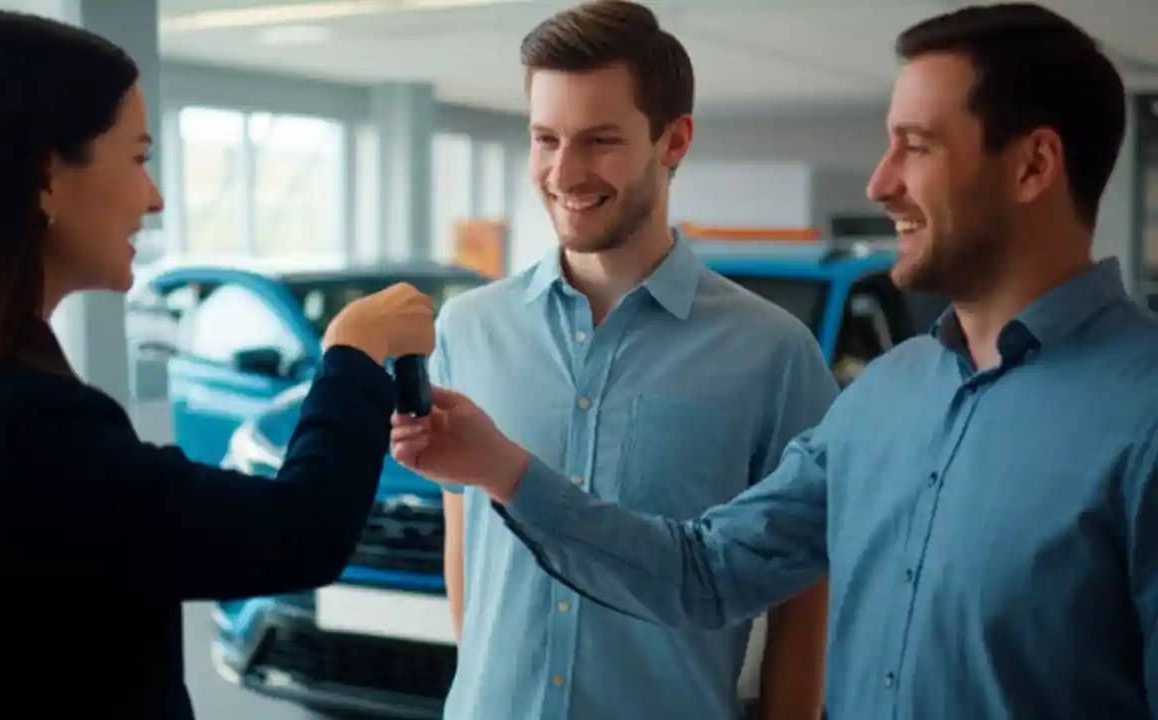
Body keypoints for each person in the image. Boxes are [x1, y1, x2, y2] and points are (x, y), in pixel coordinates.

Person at [394, 4, 1158, 719]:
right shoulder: (884, 399)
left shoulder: (1141, 417)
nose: (879, 182)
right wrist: (505, 473)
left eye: (916, 147)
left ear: (1033, 166)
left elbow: (798, 614)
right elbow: (706, 574)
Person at [0, 12, 434, 719]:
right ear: (45, 174)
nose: (156, 197)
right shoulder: (28, 424)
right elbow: (299, 533)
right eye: (138, 157)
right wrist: (352, 352)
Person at [430, 2, 833, 718]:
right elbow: (467, 551)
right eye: (545, 138)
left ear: (673, 141)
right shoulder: (469, 328)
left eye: (600, 140)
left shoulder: (773, 355)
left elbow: (804, 604)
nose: (564, 171)